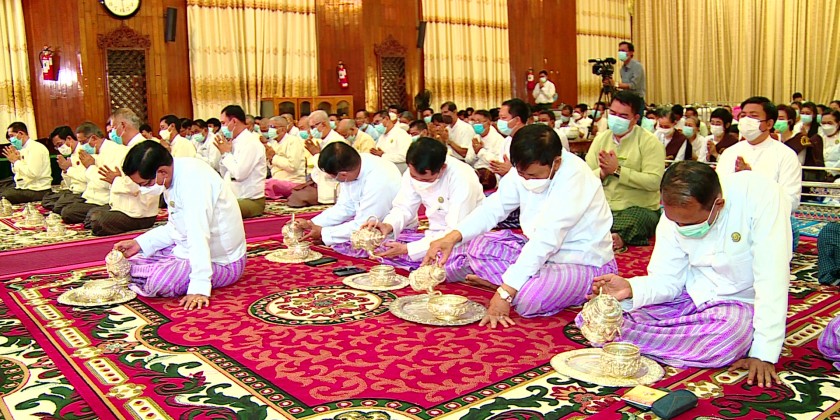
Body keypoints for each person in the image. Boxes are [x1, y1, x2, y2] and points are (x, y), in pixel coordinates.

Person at [579, 162, 790, 387]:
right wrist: (631, 289)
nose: (680, 226)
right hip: (691, 296)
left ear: (718, 204)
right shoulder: (672, 217)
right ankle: (668, 341)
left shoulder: (760, 197)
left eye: (688, 223)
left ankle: (641, 339)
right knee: (592, 317)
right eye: (675, 220)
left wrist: (764, 353)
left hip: (738, 304)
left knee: (724, 341)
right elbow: (667, 279)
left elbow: (772, 277)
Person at [425, 124, 617, 327]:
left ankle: (514, 283)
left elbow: (546, 239)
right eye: (523, 174)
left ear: (557, 163)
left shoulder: (576, 178)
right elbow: (493, 208)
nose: (527, 180)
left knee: (529, 299)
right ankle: (518, 280)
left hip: (584, 261)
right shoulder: (523, 171)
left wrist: (505, 292)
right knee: (477, 245)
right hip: (538, 251)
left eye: (533, 176)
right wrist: (450, 237)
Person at [114, 141, 246, 310]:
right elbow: (176, 228)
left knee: (157, 282)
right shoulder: (174, 176)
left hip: (223, 261)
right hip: (189, 249)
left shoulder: (193, 182)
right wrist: (139, 243)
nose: (143, 189)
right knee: (128, 260)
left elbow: (198, 235)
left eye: (145, 184)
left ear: (162, 172)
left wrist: (199, 287)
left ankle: (157, 271)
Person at [361, 138, 484, 269]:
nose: (420, 182)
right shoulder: (412, 171)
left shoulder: (462, 178)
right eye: (415, 177)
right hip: (433, 233)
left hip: (463, 237)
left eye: (426, 179)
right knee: (382, 245)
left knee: (449, 266)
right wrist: (388, 225)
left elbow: (456, 230)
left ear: (443, 168)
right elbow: (404, 207)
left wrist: (408, 249)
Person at [585, 91, 665, 251]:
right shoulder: (601, 139)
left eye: (623, 116)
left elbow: (654, 182)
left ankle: (617, 236)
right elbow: (584, 178)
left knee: (638, 219)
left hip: (637, 207)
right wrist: (602, 173)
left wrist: (618, 170)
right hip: (604, 205)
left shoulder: (650, 142)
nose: (616, 119)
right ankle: (610, 234)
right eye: (613, 113)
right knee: (577, 213)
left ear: (635, 119)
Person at [298, 142, 401, 253]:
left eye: (333, 177)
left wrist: (324, 233)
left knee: (362, 246)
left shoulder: (379, 179)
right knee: (335, 241)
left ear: (343, 174)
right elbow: (345, 207)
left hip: (390, 229)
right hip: (365, 221)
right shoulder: (352, 166)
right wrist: (312, 223)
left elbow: (366, 223)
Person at [716, 97, 801, 211]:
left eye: (753, 116)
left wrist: (752, 179)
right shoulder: (730, 152)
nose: (746, 120)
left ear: (769, 124)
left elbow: (791, 201)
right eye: (743, 115)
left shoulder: (786, 155)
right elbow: (719, 192)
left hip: (768, 221)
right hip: (732, 219)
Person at [87, 109, 161, 236]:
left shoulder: (143, 148)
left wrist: (115, 179)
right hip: (124, 207)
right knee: (91, 215)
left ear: (123, 126)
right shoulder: (127, 148)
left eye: (114, 128)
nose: (112, 134)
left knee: (97, 220)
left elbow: (139, 184)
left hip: (139, 213)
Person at [61, 123, 125, 225]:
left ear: (94, 138)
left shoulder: (114, 152)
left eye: (83, 142)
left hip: (105, 200)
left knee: (90, 217)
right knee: (66, 210)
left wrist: (90, 167)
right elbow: (86, 179)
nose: (81, 147)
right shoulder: (93, 152)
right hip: (90, 198)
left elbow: (106, 183)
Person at [214, 105, 267, 218]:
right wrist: (223, 154)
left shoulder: (251, 143)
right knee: (205, 204)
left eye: (223, 123)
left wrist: (226, 154)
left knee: (216, 211)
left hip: (250, 200)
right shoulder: (233, 142)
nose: (222, 128)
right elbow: (224, 174)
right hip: (232, 196)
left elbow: (240, 174)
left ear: (234, 121)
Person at [1, 122, 51, 204]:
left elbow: (33, 173)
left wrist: (16, 161)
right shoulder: (21, 149)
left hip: (37, 190)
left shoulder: (36, 148)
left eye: (11, 136)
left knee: (4, 195)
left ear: (20, 133)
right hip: (24, 185)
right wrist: (14, 162)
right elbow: (16, 172)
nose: (10, 140)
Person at [42, 126, 87, 213]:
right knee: (47, 199)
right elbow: (69, 184)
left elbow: (86, 177)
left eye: (59, 144)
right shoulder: (72, 155)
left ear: (69, 138)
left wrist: (69, 169)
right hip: (73, 190)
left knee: (59, 207)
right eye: (56, 147)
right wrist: (65, 170)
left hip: (83, 191)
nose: (59, 149)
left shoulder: (84, 152)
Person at [264, 116, 306, 199]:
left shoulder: (293, 141)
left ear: (283, 129)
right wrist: (269, 158)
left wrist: (273, 157)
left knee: (267, 184)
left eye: (273, 127)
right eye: (269, 127)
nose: (270, 130)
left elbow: (292, 166)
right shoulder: (273, 143)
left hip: (293, 182)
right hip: (277, 181)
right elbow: (272, 167)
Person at [491, 98, 530, 178]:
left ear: (517, 120)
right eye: (499, 118)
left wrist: (511, 171)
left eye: (503, 118)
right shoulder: (507, 141)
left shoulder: (532, 140)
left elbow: (535, 173)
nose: (499, 122)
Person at [469, 110, 506, 190]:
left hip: (492, 178)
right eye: (473, 121)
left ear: (488, 122)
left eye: (478, 121)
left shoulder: (498, 139)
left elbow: (498, 163)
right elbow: (468, 160)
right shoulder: (476, 137)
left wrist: (480, 151)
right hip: (476, 173)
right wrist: (475, 153)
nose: (476, 124)